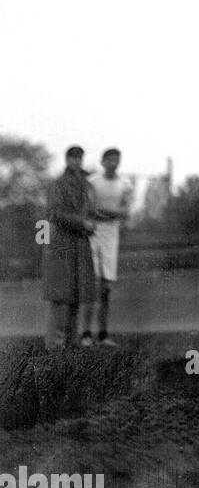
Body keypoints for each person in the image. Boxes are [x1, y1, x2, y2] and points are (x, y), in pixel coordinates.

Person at [42, 147, 97, 350]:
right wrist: (83, 223)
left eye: (80, 158)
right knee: (58, 299)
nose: (77, 161)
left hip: (79, 246)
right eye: (74, 157)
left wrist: (90, 225)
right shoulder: (58, 184)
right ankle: (54, 349)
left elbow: (90, 212)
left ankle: (70, 347)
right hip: (60, 247)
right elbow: (54, 213)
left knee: (76, 296)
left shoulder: (86, 186)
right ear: (67, 160)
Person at [80, 148, 131, 347]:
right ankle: (85, 334)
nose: (113, 163)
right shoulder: (93, 182)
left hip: (112, 236)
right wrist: (111, 213)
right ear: (103, 162)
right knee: (92, 286)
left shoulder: (125, 184)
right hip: (93, 234)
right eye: (109, 160)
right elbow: (90, 210)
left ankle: (102, 335)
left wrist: (106, 212)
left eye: (117, 160)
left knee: (106, 288)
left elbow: (124, 211)